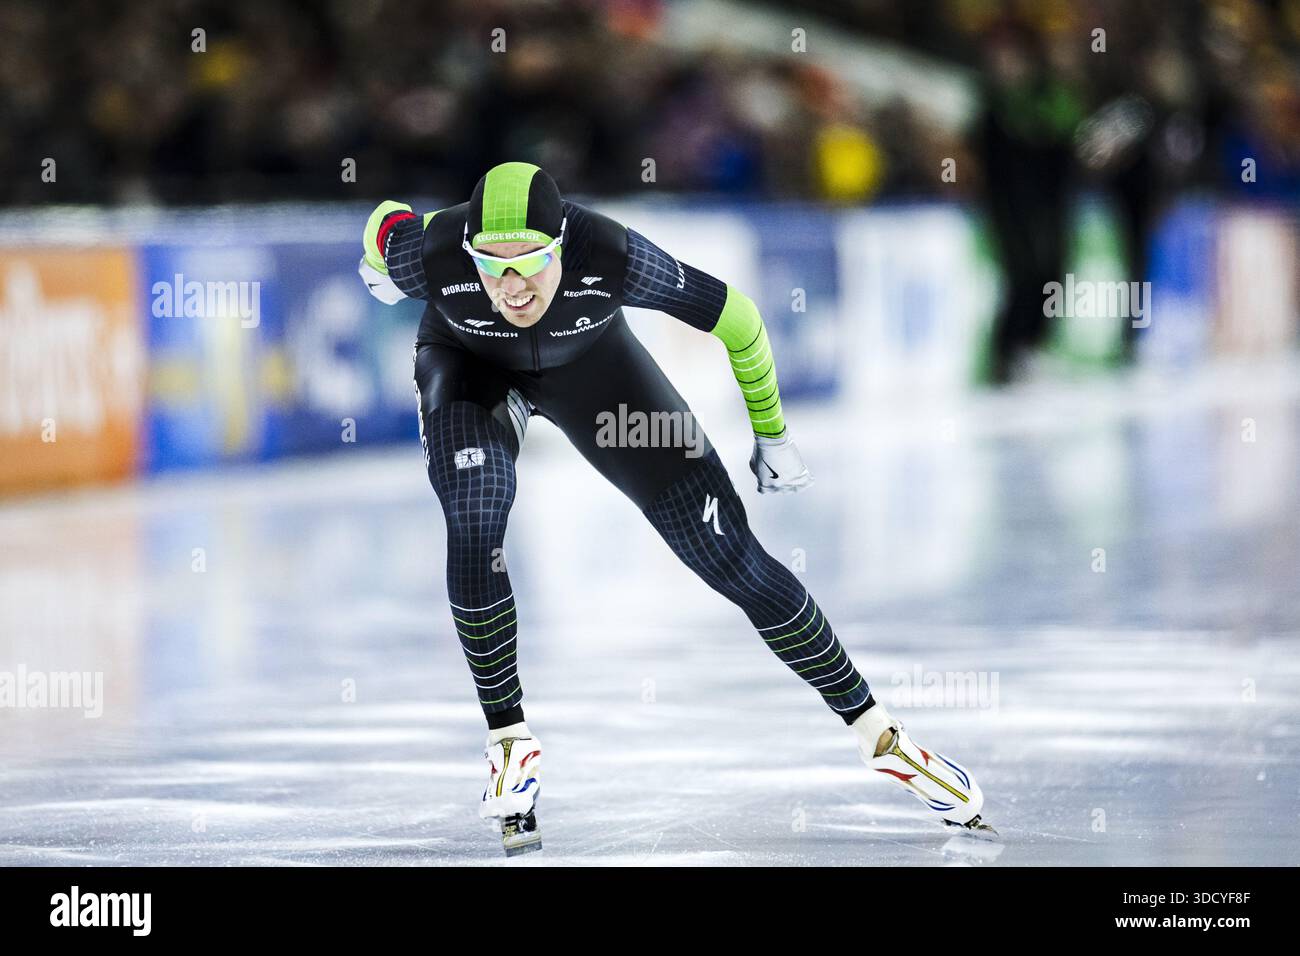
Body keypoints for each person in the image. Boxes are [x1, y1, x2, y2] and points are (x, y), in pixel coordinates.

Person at [359, 161, 990, 853]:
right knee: (477, 509)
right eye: (492, 266)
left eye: (531, 264)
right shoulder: (436, 251)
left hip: (599, 380)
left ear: (561, 246)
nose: (512, 287)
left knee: (732, 560)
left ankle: (882, 736)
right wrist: (377, 260)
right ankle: (509, 737)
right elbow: (385, 222)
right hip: (469, 370)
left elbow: (740, 320)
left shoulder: (612, 252)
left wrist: (772, 433)